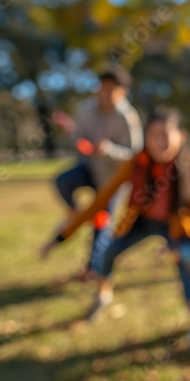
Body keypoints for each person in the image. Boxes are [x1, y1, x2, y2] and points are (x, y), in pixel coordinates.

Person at [41, 107, 190, 367]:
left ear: (181, 136)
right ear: (146, 138)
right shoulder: (135, 164)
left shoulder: (189, 169)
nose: (161, 142)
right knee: (109, 250)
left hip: (174, 228)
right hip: (140, 223)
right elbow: (99, 201)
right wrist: (60, 237)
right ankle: (102, 296)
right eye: (154, 135)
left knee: (184, 264)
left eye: (167, 135)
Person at [50, 66, 143, 277]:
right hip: (90, 168)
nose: (104, 94)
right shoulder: (86, 109)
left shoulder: (127, 118)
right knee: (62, 181)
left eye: (111, 90)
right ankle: (77, 212)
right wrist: (72, 132)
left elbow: (135, 156)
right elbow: (79, 139)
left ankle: (93, 270)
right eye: (101, 88)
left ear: (123, 92)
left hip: (112, 180)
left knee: (102, 227)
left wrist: (109, 150)